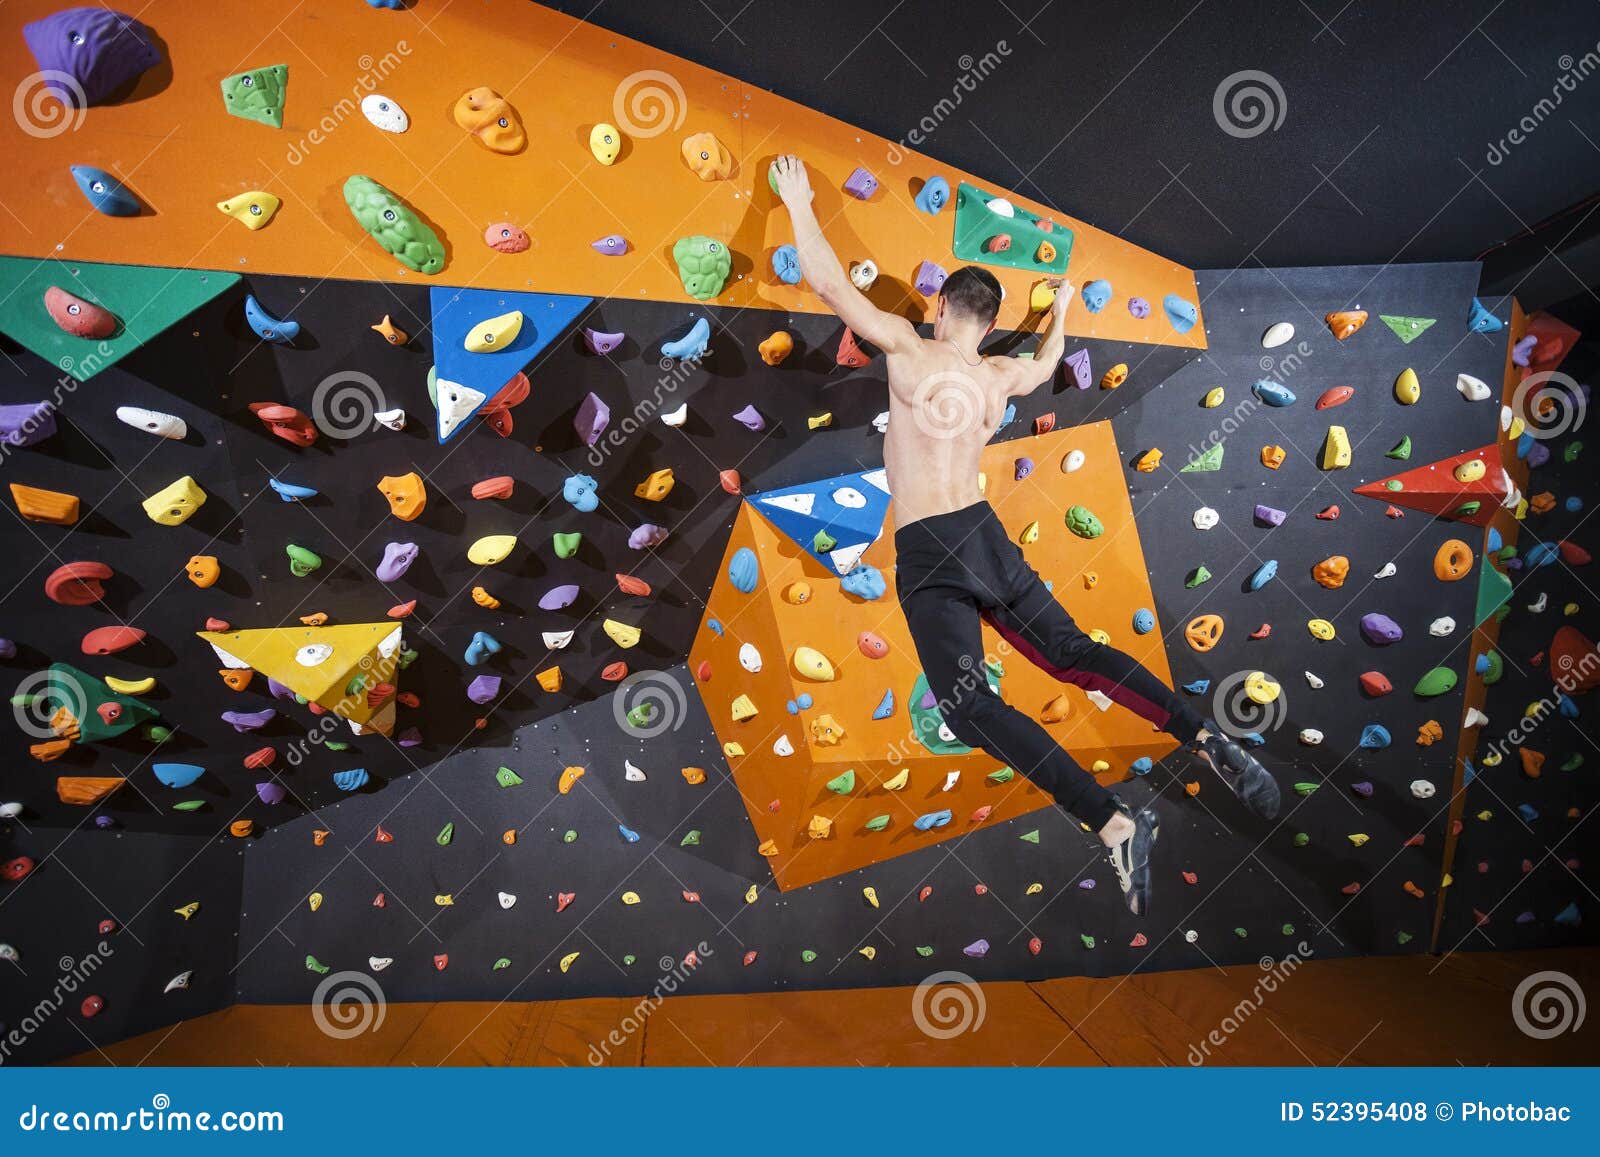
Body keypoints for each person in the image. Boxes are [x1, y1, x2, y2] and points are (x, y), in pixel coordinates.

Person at [772, 155, 1280, 915]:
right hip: (985, 537)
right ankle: (1204, 735)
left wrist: (798, 200)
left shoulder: (913, 352)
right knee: (1073, 654)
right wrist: (1064, 309)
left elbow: (831, 285)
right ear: (986, 322)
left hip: (932, 554)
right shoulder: (995, 376)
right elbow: (1044, 366)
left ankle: (1111, 820)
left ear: (941, 309)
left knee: (971, 709)